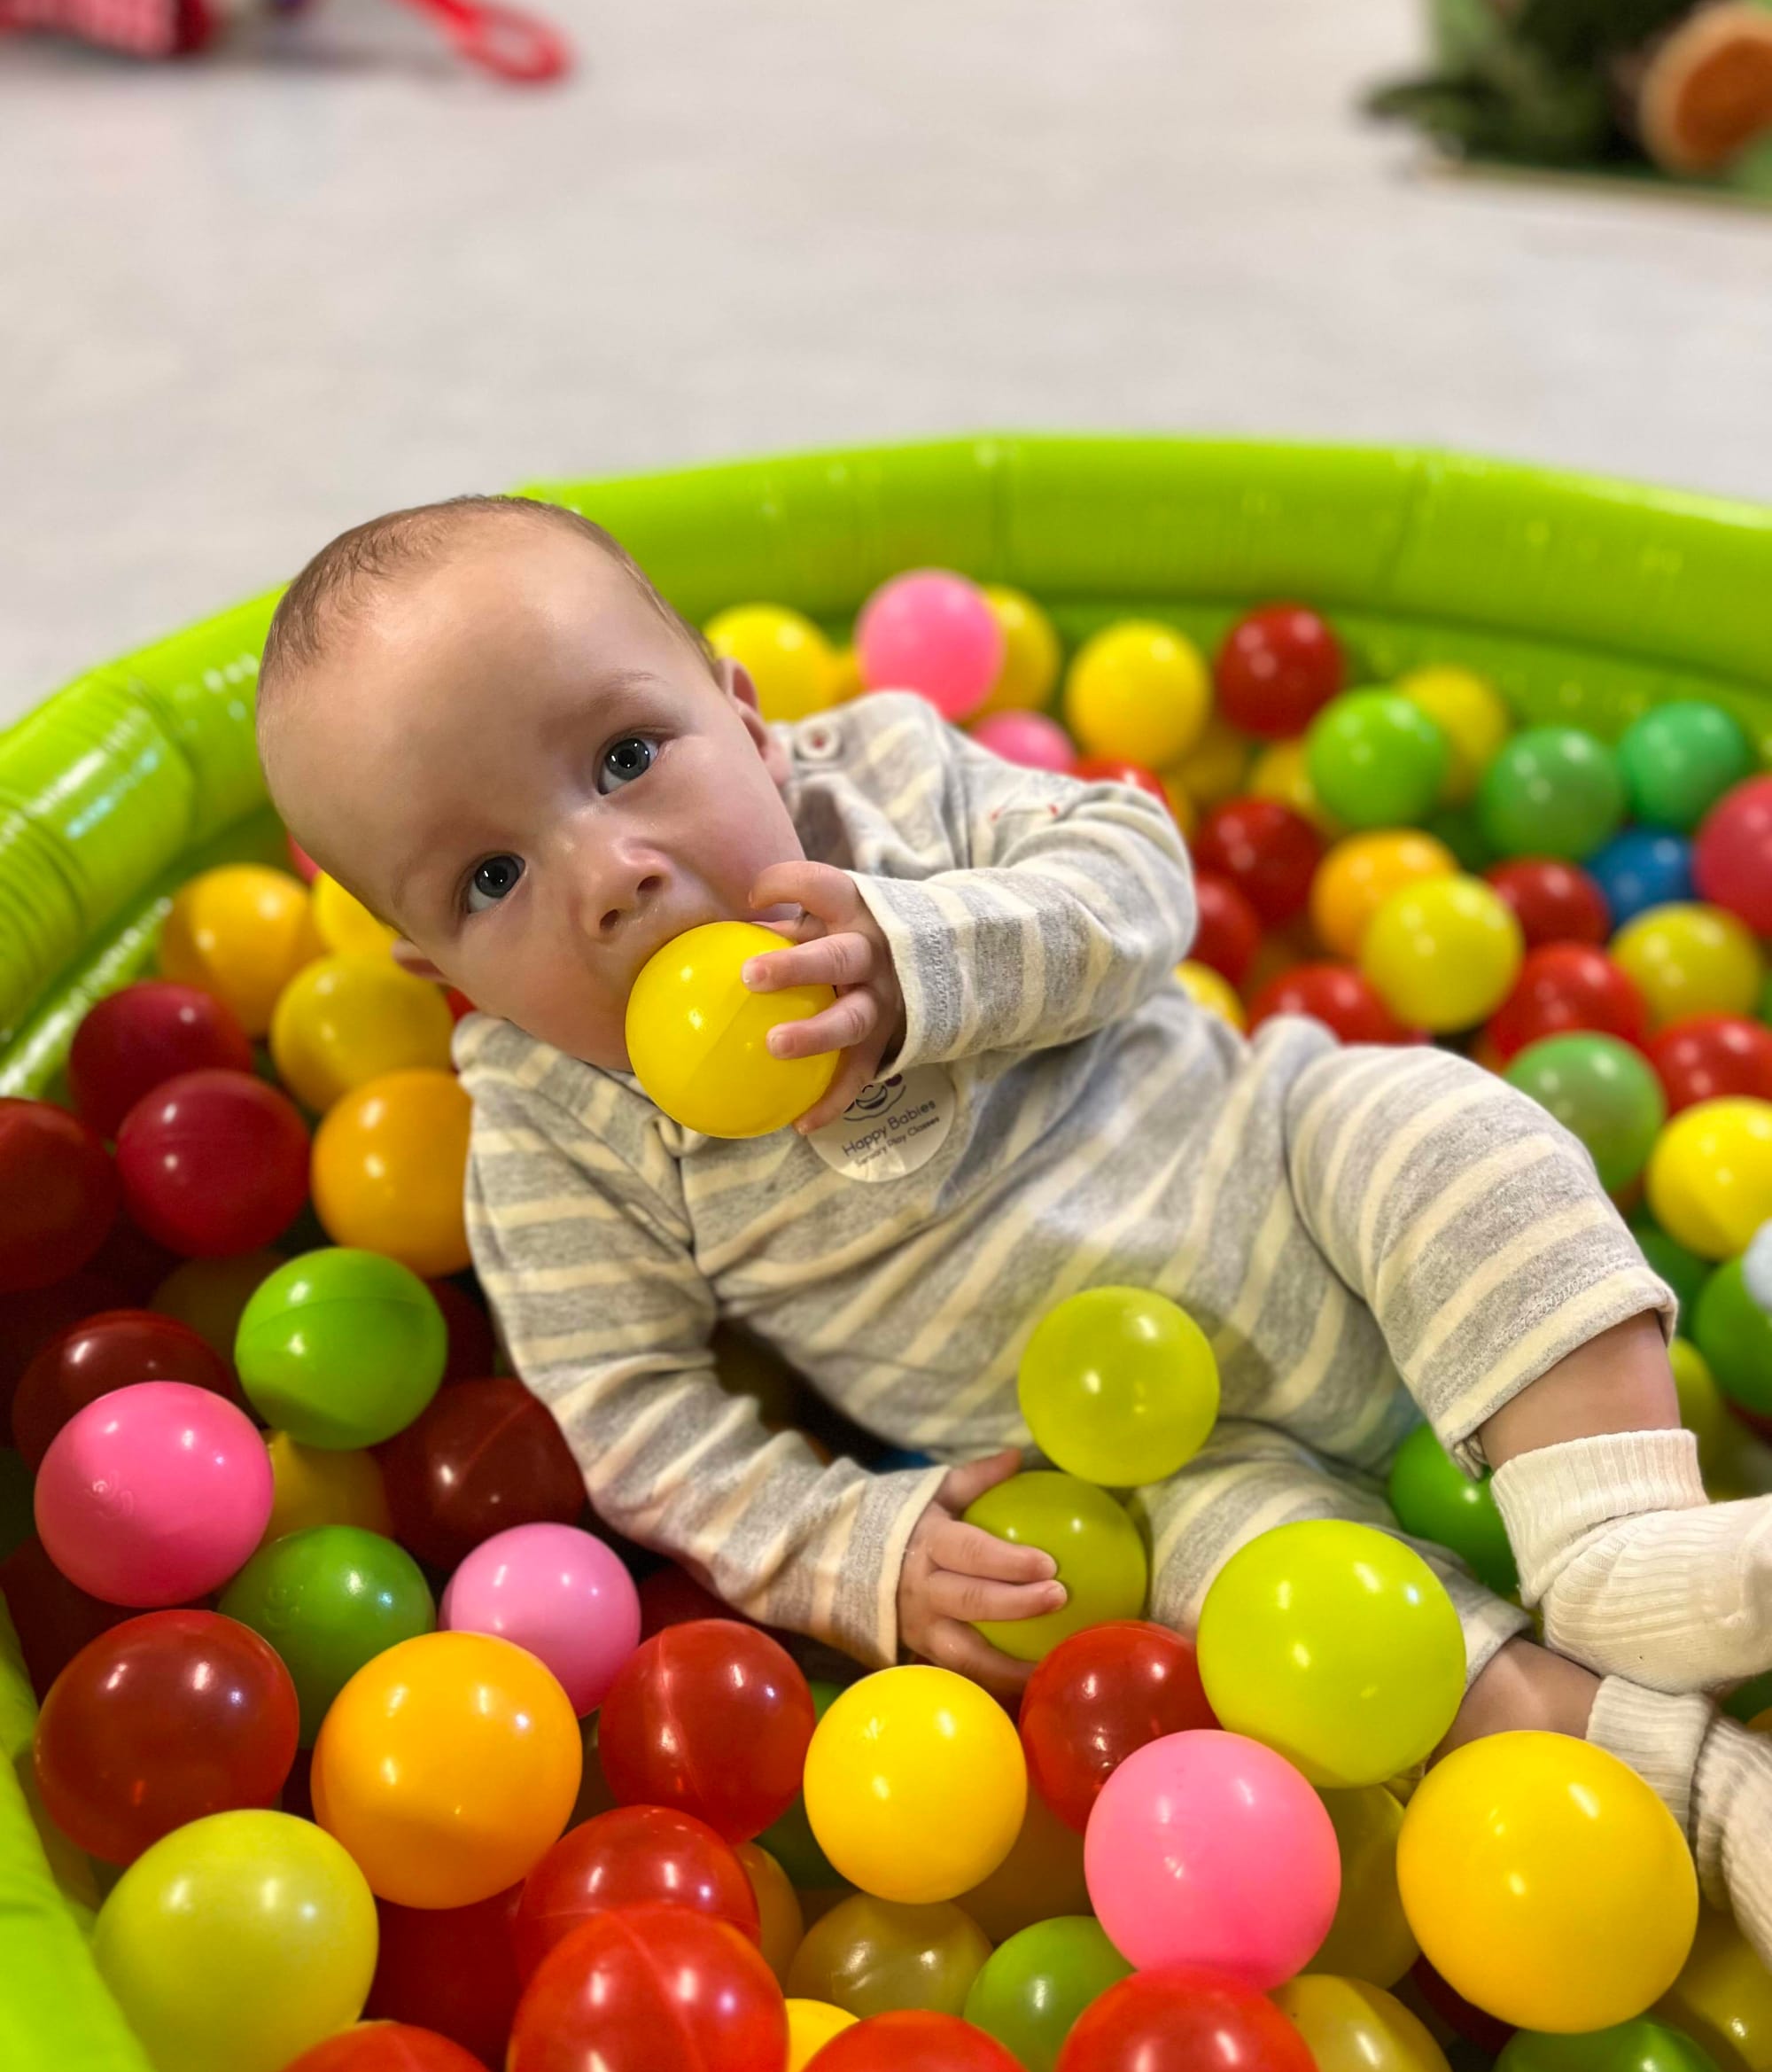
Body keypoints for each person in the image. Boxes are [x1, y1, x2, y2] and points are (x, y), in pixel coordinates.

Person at [256, 492, 1772, 1966]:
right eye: (492, 879)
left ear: (749, 716)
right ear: (438, 968)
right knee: (1313, 1641)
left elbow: (1137, 872)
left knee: (1444, 1128)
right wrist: (858, 1549)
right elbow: (629, 1411)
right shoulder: (552, 1130)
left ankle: (1617, 1542)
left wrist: (924, 957)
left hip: (1287, 1171)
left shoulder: (894, 782)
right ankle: (1707, 1794)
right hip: (1137, 1475)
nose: (613, 877)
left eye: (629, 756)